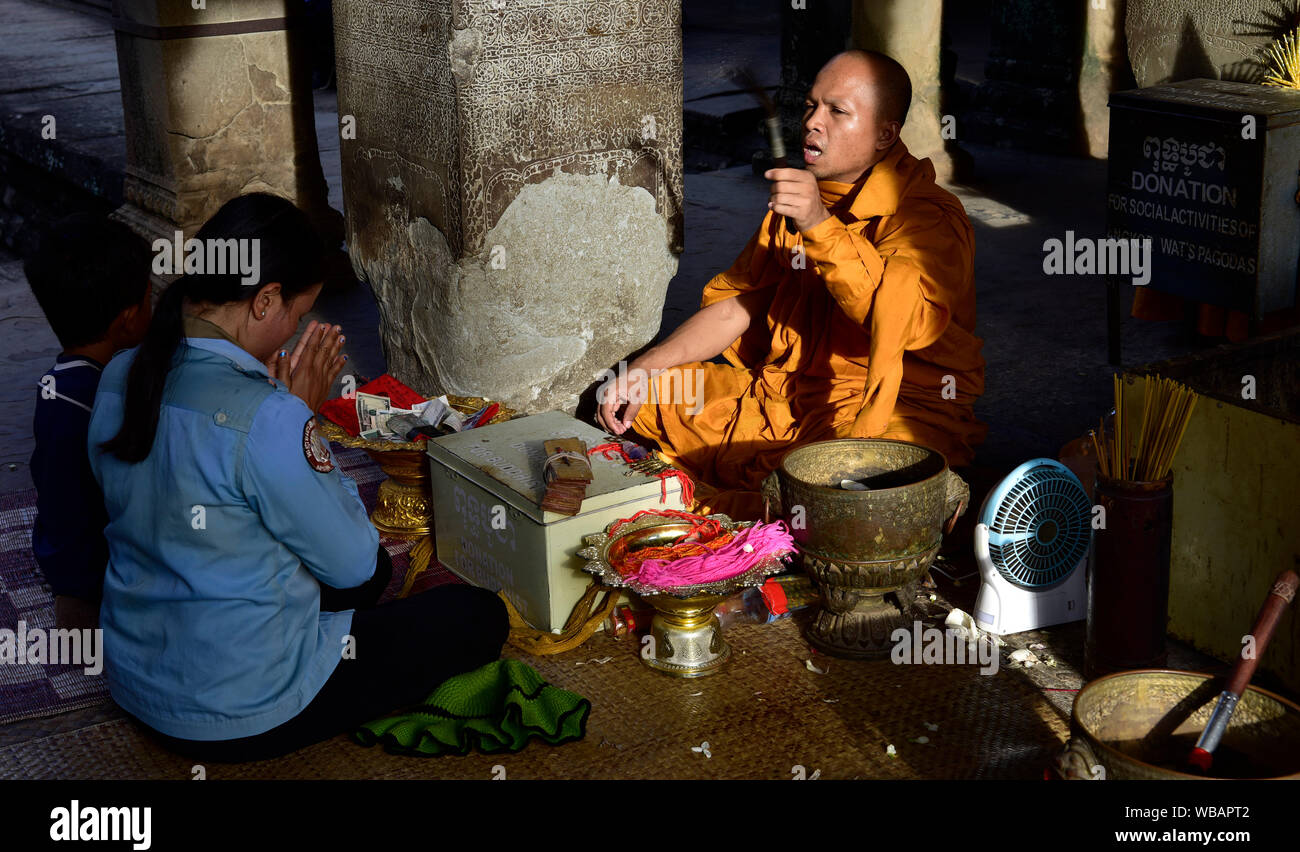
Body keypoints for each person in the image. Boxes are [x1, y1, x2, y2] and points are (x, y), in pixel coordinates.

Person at [88, 193, 508, 762]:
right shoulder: (267, 416)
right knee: (477, 616)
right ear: (265, 301)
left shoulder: (119, 375)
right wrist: (301, 422)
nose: (294, 332)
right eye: (296, 313)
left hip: (138, 683)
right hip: (243, 708)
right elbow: (361, 572)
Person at [598, 50, 986, 519]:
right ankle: (759, 506)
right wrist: (646, 366)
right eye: (810, 106)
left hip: (885, 407)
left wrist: (820, 226)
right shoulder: (807, 198)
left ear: (886, 133)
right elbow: (738, 305)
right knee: (642, 396)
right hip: (783, 395)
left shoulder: (925, 218)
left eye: (837, 111)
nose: (812, 123)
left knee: (857, 488)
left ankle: (750, 510)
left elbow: (907, 324)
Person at [24, 215, 153, 631]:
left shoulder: (56, 385)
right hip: (101, 570)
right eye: (151, 299)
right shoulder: (106, 400)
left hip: (59, 550)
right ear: (129, 320)